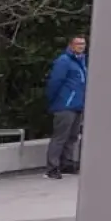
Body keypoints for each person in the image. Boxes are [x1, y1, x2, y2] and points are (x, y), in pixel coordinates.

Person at [44, 35, 87, 179]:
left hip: (77, 105)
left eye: (83, 44)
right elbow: (55, 82)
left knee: (72, 136)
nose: (81, 46)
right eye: (78, 43)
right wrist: (54, 100)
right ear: (71, 45)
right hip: (65, 104)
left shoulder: (81, 62)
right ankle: (52, 167)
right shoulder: (64, 61)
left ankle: (66, 163)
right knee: (60, 137)